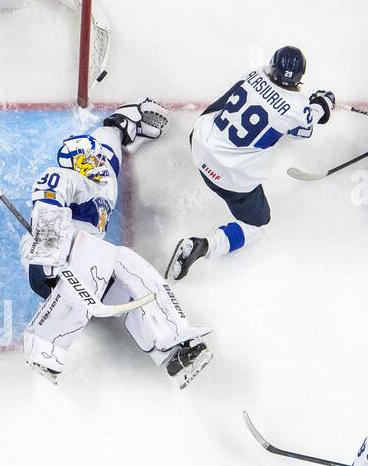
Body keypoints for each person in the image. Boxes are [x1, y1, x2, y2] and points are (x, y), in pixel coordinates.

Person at [20, 99, 212, 386]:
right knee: (99, 250)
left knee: (133, 273)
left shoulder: (104, 169)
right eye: (89, 161)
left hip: (92, 267)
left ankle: (173, 346)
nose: (96, 163)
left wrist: (126, 121)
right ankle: (45, 346)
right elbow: (49, 194)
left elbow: (112, 132)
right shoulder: (68, 176)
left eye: (98, 159)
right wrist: (48, 254)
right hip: (47, 260)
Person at [167, 46, 335, 279]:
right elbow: (302, 131)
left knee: (218, 116)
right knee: (259, 225)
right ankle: (205, 245)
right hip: (229, 179)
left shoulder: (254, 74)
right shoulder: (297, 109)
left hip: (198, 144)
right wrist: (323, 105)